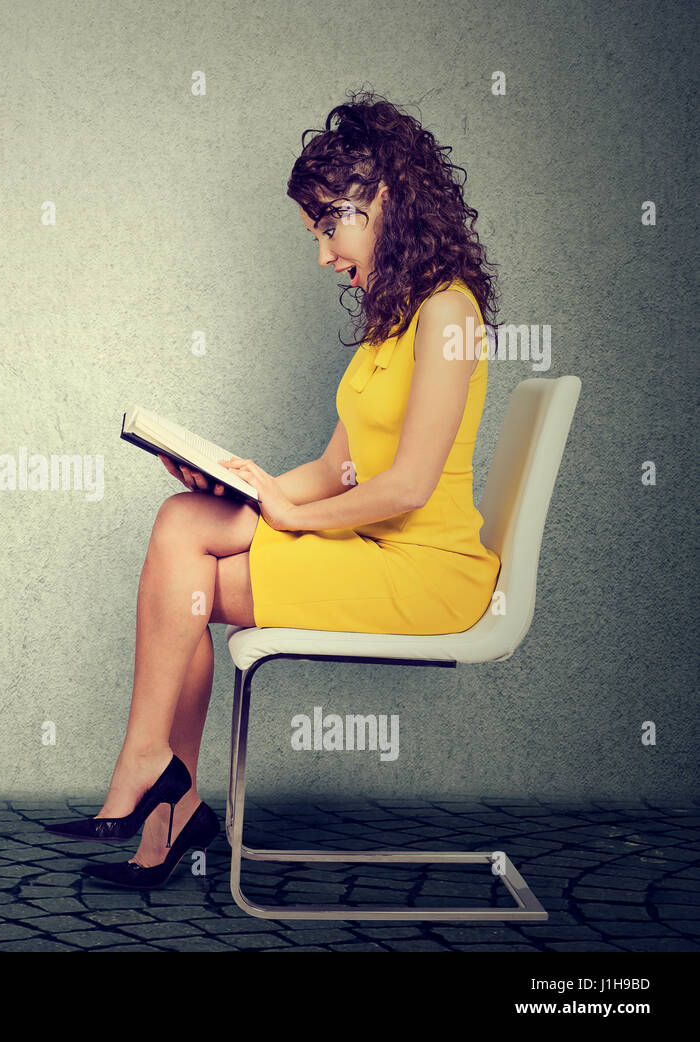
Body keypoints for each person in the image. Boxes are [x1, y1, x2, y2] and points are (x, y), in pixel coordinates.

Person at [44, 89, 505, 890]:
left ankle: (156, 790)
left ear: (386, 199)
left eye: (331, 224)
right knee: (187, 523)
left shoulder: (449, 313)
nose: (324, 252)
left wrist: (291, 513)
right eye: (317, 231)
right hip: (371, 546)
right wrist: (243, 485)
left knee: (188, 563)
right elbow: (333, 468)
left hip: (426, 572)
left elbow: (410, 482)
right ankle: (162, 806)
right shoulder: (393, 320)